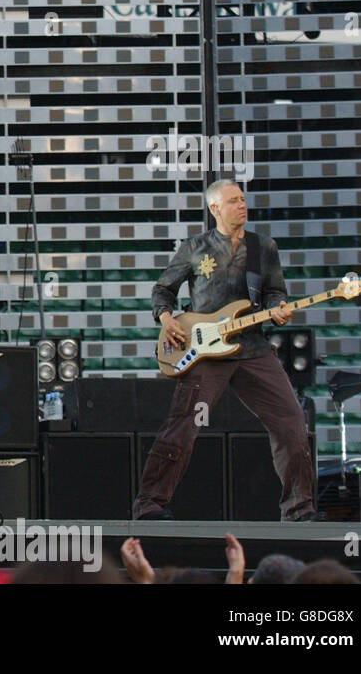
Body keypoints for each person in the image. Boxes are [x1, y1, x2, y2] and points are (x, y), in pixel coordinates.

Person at [135, 179, 316, 522]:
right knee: (183, 426)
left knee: (292, 422)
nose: (242, 206)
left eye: (243, 200)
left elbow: (275, 292)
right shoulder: (194, 247)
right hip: (204, 352)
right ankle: (149, 505)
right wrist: (166, 317)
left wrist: (279, 307)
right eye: (233, 201)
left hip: (253, 347)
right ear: (215, 209)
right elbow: (163, 290)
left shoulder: (264, 248)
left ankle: (298, 510)